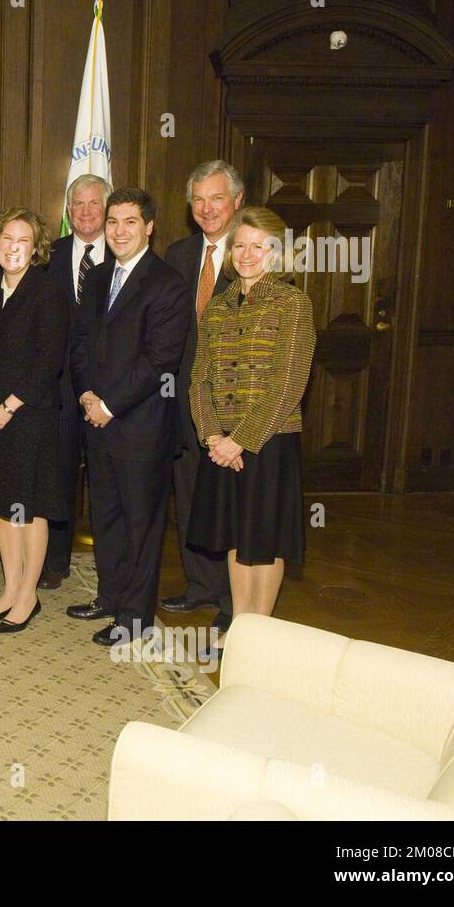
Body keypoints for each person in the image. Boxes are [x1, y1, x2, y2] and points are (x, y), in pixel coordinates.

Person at [67, 188, 190, 646]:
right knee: (107, 518)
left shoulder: (167, 284)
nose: (118, 230)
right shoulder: (97, 278)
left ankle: (136, 618)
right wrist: (85, 396)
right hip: (95, 419)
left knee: (142, 525)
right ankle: (110, 596)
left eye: (130, 222)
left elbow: (159, 361)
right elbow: (80, 342)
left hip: (140, 426)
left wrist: (109, 405)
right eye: (113, 221)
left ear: (150, 227)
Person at [188, 206, 316, 633]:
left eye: (258, 246)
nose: (246, 254)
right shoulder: (219, 307)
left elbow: (289, 383)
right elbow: (198, 379)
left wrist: (239, 440)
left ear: (277, 254)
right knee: (236, 539)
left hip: (268, 443)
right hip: (222, 445)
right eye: (239, 244)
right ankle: (239, 627)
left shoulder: (293, 303)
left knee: (263, 542)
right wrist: (211, 435)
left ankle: (261, 634)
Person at [0, 209, 69, 633]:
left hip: (29, 416)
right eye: (7, 238)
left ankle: (28, 595)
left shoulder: (47, 290)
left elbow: (49, 359)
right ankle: (8, 589)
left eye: (22, 240)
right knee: (5, 506)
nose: (13, 247)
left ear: (35, 247)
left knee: (29, 508)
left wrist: (10, 405)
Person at [158, 160, 244, 633]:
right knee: (188, 492)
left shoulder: (254, 252)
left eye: (216, 198)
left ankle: (234, 600)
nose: (207, 208)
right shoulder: (179, 253)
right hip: (184, 398)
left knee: (231, 501)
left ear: (236, 201)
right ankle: (201, 585)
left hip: (237, 404)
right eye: (198, 200)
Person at [40, 173, 114, 590]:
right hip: (59, 389)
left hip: (108, 391)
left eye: (93, 204)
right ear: (68, 212)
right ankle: (56, 560)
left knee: (105, 481)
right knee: (60, 475)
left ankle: (110, 566)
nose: (86, 212)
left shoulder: (123, 256)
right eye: (78, 205)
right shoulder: (49, 254)